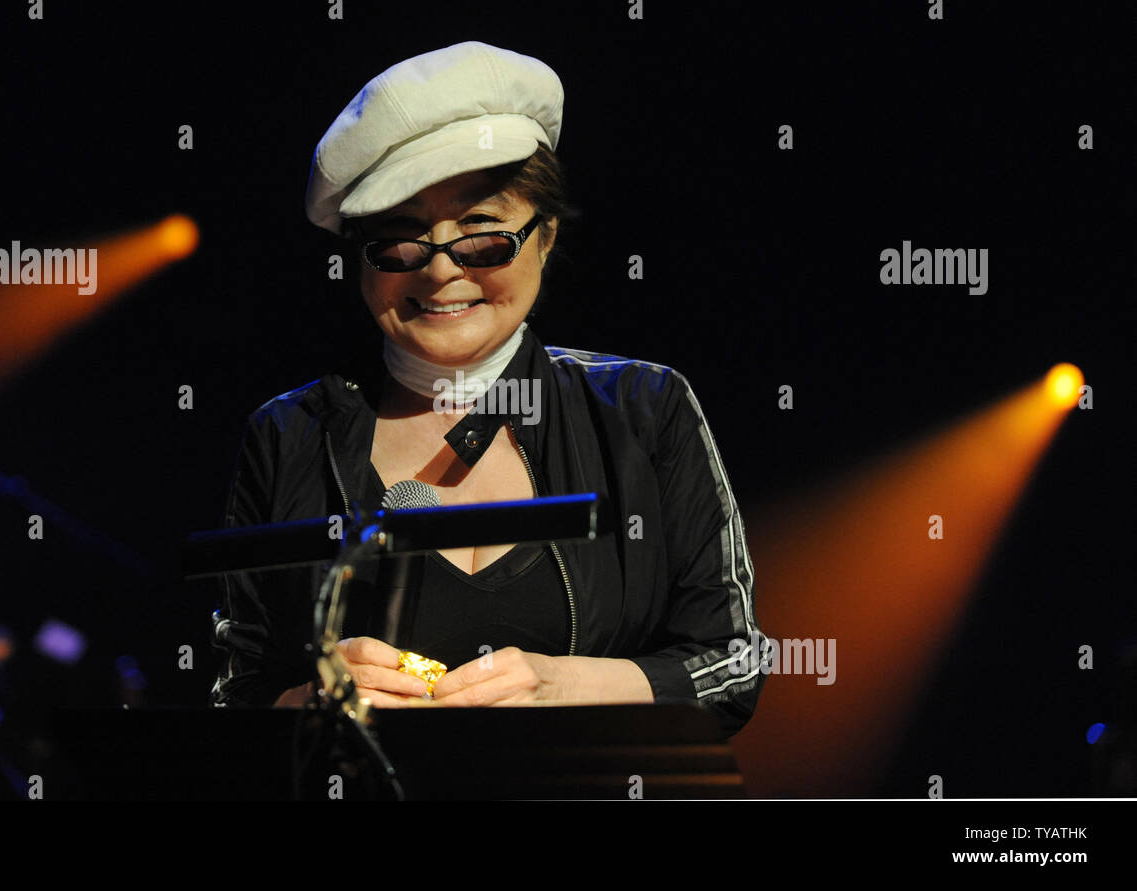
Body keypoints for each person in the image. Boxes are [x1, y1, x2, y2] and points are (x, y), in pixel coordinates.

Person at [210, 41, 767, 737]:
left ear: (546, 235)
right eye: (400, 240)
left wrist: (564, 683)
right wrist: (307, 700)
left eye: (482, 235)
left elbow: (734, 663)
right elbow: (232, 691)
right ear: (360, 261)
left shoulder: (646, 407)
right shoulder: (288, 433)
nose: (441, 271)